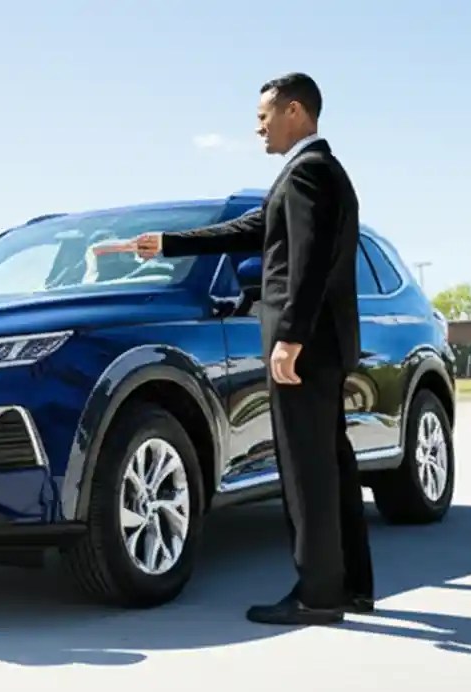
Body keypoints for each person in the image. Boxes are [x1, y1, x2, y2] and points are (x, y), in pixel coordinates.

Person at [130, 72, 373, 625]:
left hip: (305, 347)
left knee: (306, 469)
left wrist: (290, 337)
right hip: (325, 344)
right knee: (331, 464)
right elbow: (253, 229)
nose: (257, 127)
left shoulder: (309, 173)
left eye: (264, 116)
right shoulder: (318, 172)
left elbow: (307, 262)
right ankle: (350, 585)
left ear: (294, 111)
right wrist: (168, 244)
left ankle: (317, 596)